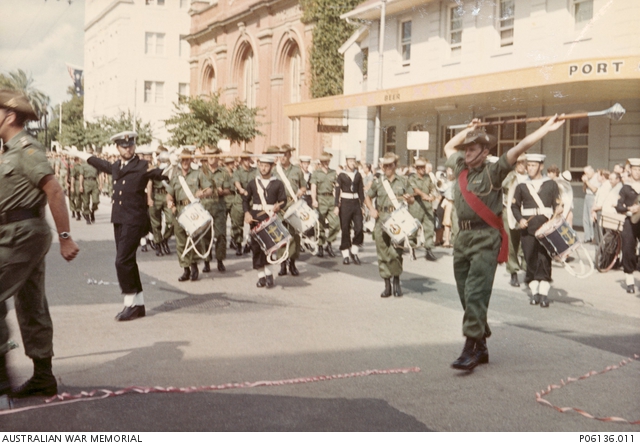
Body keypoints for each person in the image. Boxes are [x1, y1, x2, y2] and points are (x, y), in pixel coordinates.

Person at [444, 116, 564, 371]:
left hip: (485, 239)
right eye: (466, 149)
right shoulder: (460, 169)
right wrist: (469, 129)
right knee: (466, 293)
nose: (467, 153)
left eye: (473, 149)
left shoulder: (494, 170)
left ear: (485, 152)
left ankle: (469, 349)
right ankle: (482, 344)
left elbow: (520, 148)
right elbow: (448, 148)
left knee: (476, 292)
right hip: (462, 238)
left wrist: (545, 129)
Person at [0, 90, 79, 397]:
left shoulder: (26, 149)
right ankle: (43, 376)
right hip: (15, 233)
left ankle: (2, 377)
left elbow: (54, 191)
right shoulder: (9, 151)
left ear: (9, 115)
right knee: (31, 301)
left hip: (22, 235)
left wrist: (65, 237)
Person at [71, 131, 166, 321]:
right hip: (120, 218)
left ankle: (129, 304)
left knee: (121, 261)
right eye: (124, 146)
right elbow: (99, 163)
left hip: (134, 219)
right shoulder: (116, 166)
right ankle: (139, 304)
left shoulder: (143, 166)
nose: (128, 148)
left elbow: (160, 173)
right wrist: (80, 153)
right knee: (128, 260)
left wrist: (172, 167)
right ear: (117, 148)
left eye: (131, 145)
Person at [511, 154, 560, 307]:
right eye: (529, 165)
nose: (530, 168)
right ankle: (534, 292)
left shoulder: (551, 184)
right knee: (530, 258)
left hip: (546, 228)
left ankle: (544, 293)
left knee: (545, 259)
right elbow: (514, 206)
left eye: (533, 165)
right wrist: (520, 219)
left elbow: (557, 205)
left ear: (541, 166)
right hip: (528, 229)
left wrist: (557, 215)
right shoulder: (521, 186)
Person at [364, 152, 415, 297]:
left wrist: (409, 199)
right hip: (381, 220)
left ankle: (397, 281)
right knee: (382, 253)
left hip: (397, 220)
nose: (387, 168)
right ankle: (387, 284)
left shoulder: (403, 181)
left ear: (395, 165)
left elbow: (411, 200)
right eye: (385, 165)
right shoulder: (379, 182)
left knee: (396, 252)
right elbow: (367, 197)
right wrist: (372, 209)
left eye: (390, 165)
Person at [166, 149, 214, 282]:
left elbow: (210, 189)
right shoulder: (176, 177)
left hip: (193, 210)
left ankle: (194, 267)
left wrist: (203, 193)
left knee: (194, 240)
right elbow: (169, 193)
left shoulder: (198, 174)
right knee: (181, 242)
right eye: (182, 160)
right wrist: (170, 202)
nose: (185, 162)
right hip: (179, 211)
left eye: (187, 159)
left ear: (191, 160)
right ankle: (185, 269)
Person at [243, 155, 287, 288]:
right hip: (256, 218)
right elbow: (245, 200)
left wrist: (279, 206)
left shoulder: (278, 183)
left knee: (269, 248)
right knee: (256, 248)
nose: (263, 168)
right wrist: (247, 213)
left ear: (271, 167)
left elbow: (283, 200)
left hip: (270, 218)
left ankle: (269, 275)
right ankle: (261, 276)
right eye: (261, 165)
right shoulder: (252, 183)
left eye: (266, 166)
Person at [273, 145, 306, 276]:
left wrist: (300, 192)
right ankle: (282, 264)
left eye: (285, 155)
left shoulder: (297, 170)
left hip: (292, 204)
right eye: (280, 155)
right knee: (280, 234)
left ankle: (292, 263)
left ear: (289, 156)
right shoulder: (275, 171)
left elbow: (303, 187)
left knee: (293, 235)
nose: (282, 157)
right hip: (279, 205)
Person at [199, 147, 229, 273]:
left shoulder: (224, 172)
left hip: (219, 207)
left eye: (213, 155)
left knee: (221, 235)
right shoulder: (201, 172)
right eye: (209, 155)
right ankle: (206, 262)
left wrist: (222, 191)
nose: (211, 157)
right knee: (205, 235)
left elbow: (229, 190)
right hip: (205, 207)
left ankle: (220, 260)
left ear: (218, 157)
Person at [502, 155, 528, 287]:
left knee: (526, 242)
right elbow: (503, 186)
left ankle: (526, 269)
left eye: (524, 163)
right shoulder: (510, 175)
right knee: (511, 243)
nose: (522, 165)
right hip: (510, 212)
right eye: (519, 163)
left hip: (526, 213)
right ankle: (513, 272)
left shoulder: (530, 177)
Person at [615, 158, 640, 294]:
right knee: (628, 249)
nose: (638, 172)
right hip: (630, 222)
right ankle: (630, 280)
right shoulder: (625, 188)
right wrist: (630, 209)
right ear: (630, 170)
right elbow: (618, 206)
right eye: (635, 169)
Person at [335, 154, 364, 265]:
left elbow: (361, 191)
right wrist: (336, 206)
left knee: (359, 227)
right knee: (345, 229)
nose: (352, 163)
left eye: (354, 160)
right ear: (346, 162)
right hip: (345, 204)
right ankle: (346, 254)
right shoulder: (341, 175)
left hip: (356, 203)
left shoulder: (358, 175)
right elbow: (337, 191)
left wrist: (362, 206)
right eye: (350, 160)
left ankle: (354, 251)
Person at [408, 158, 438, 261]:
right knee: (413, 229)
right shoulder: (412, 178)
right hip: (416, 206)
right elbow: (415, 189)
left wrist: (433, 196)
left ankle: (428, 250)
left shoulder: (428, 177)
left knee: (429, 227)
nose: (423, 170)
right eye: (420, 168)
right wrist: (423, 195)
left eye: (424, 167)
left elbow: (433, 188)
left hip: (427, 206)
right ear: (416, 168)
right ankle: (412, 249)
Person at [310, 152, 340, 257]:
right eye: (324, 162)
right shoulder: (316, 173)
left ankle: (329, 243)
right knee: (320, 225)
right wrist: (314, 199)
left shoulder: (333, 173)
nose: (326, 163)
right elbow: (313, 187)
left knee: (336, 224)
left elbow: (336, 188)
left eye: (328, 161)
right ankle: (320, 246)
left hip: (331, 199)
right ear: (321, 162)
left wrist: (337, 203)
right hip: (321, 198)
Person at [148, 146, 174, 257]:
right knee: (156, 223)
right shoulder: (153, 170)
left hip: (167, 195)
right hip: (156, 195)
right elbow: (149, 184)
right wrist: (149, 198)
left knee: (171, 221)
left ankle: (165, 240)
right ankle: (158, 244)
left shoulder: (171, 170)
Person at [232, 151, 257, 256]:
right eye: (245, 159)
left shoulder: (255, 171)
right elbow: (237, 182)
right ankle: (238, 244)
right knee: (237, 225)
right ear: (241, 160)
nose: (247, 161)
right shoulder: (238, 171)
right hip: (240, 200)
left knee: (254, 223)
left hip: (252, 201)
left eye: (248, 159)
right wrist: (241, 189)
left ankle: (250, 243)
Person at [79, 147, 101, 225]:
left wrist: (101, 184)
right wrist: (80, 185)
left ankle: (92, 211)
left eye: (91, 153)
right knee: (86, 201)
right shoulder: (83, 165)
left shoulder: (96, 164)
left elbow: (99, 175)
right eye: (88, 153)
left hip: (94, 182)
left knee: (96, 201)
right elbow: (81, 175)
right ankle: (87, 215)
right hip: (86, 182)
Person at [581, 165, 600, 243]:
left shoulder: (596, 177)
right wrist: (584, 182)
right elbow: (584, 189)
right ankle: (587, 236)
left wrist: (587, 182)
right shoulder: (589, 178)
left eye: (587, 173)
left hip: (593, 197)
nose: (586, 175)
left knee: (591, 217)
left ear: (592, 171)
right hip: (587, 196)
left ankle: (593, 237)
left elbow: (594, 189)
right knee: (585, 218)